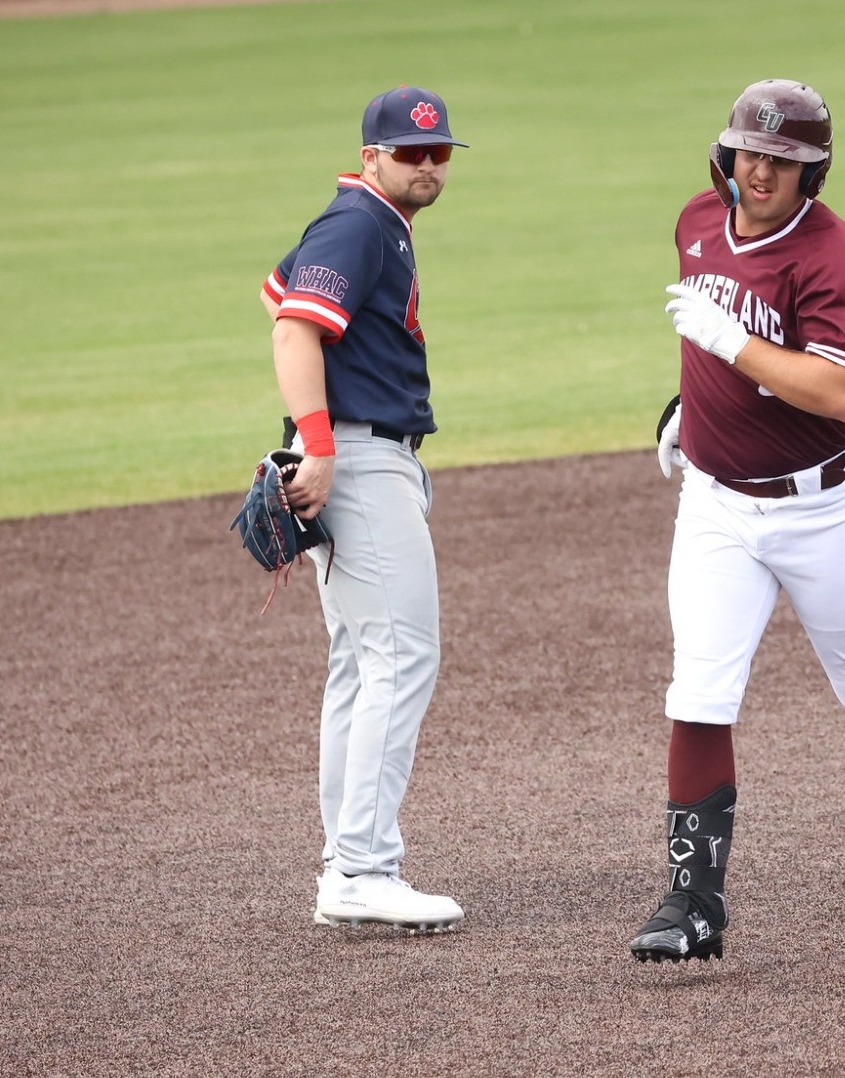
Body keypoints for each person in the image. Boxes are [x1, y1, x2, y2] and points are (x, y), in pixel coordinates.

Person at [630, 78, 845, 963]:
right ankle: (692, 904)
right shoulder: (695, 224)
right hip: (716, 503)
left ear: (812, 173)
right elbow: (709, 355)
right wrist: (690, 408)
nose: (760, 171)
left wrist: (730, 343)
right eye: (749, 152)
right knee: (699, 690)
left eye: (781, 160)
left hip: (821, 506)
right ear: (725, 154)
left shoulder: (836, 258)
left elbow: (839, 392)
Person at [258, 85, 467, 933]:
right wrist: (319, 443)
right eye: (409, 152)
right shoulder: (358, 223)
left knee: (360, 661)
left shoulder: (370, 222)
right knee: (400, 656)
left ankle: (346, 861)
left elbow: (278, 292)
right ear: (371, 155)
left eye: (438, 152)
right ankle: (362, 869)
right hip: (358, 459)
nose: (426, 165)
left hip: (363, 455)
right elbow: (292, 328)